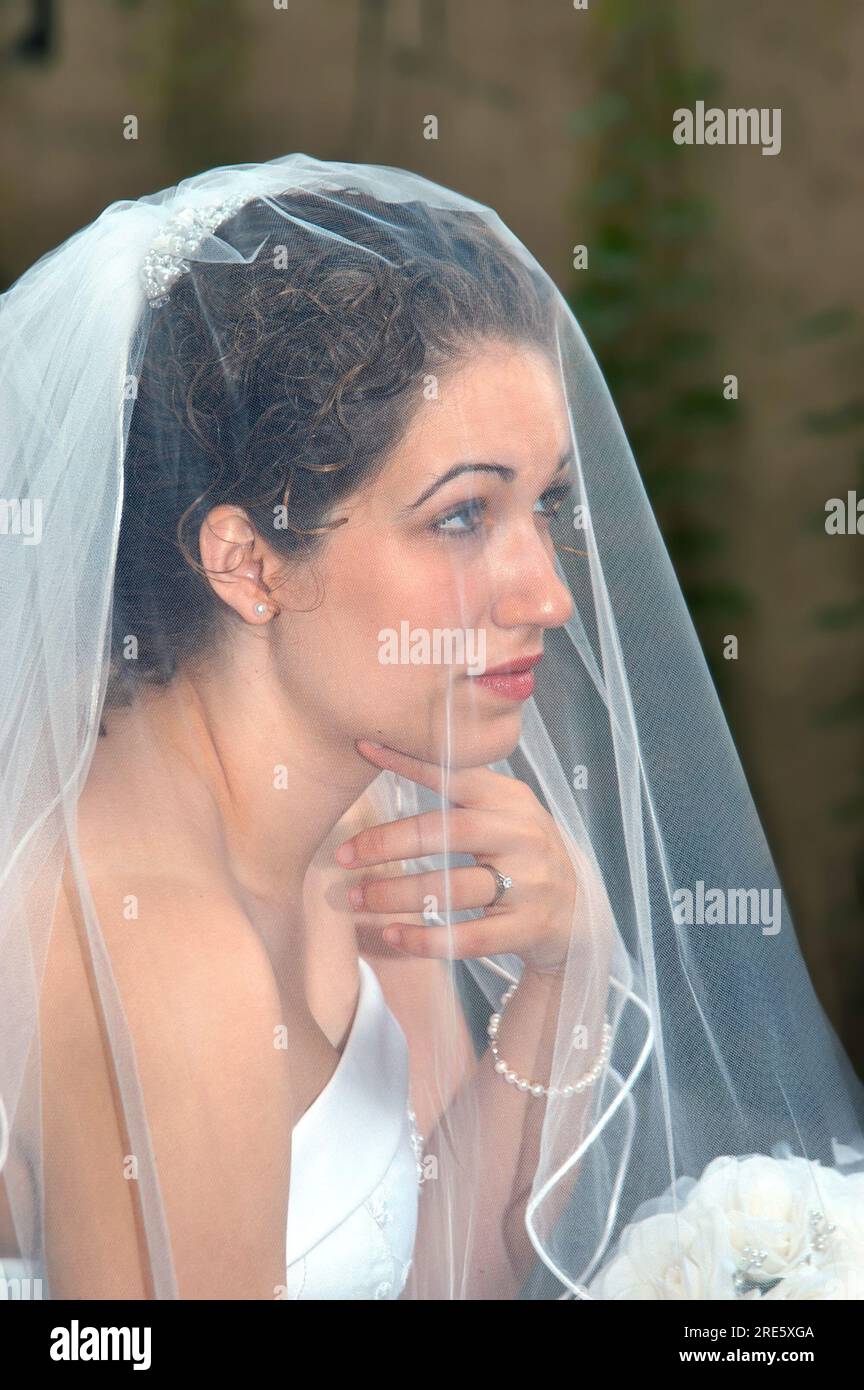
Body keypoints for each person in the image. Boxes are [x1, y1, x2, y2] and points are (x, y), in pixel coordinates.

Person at [1, 154, 862, 1302]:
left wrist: (567, 971)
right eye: (463, 514)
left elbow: (448, 1273)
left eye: (543, 502)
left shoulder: (362, 803)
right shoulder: (161, 954)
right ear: (248, 562)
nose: (549, 594)